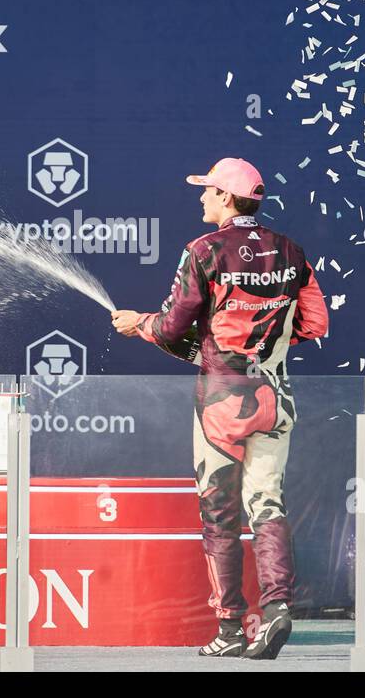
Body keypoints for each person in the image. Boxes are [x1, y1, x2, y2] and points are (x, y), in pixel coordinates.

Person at [111, 158, 328, 660]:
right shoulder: (291, 251)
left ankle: (230, 628)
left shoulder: (203, 251)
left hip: (220, 405)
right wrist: (268, 342)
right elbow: (315, 324)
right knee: (267, 504)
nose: (202, 199)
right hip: (276, 399)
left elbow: (169, 329)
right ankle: (276, 610)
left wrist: (138, 323)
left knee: (219, 517)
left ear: (227, 199)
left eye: (208, 191)